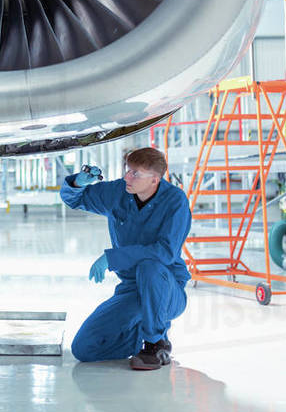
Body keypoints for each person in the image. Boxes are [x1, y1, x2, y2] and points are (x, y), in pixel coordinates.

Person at [61, 147, 191, 371]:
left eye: (135, 174)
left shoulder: (175, 201)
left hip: (167, 289)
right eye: (128, 170)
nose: (126, 177)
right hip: (132, 289)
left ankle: (155, 343)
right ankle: (137, 335)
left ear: (154, 180)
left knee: (150, 267)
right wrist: (78, 183)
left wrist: (112, 257)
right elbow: (75, 199)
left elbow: (165, 252)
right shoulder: (118, 192)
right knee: (84, 349)